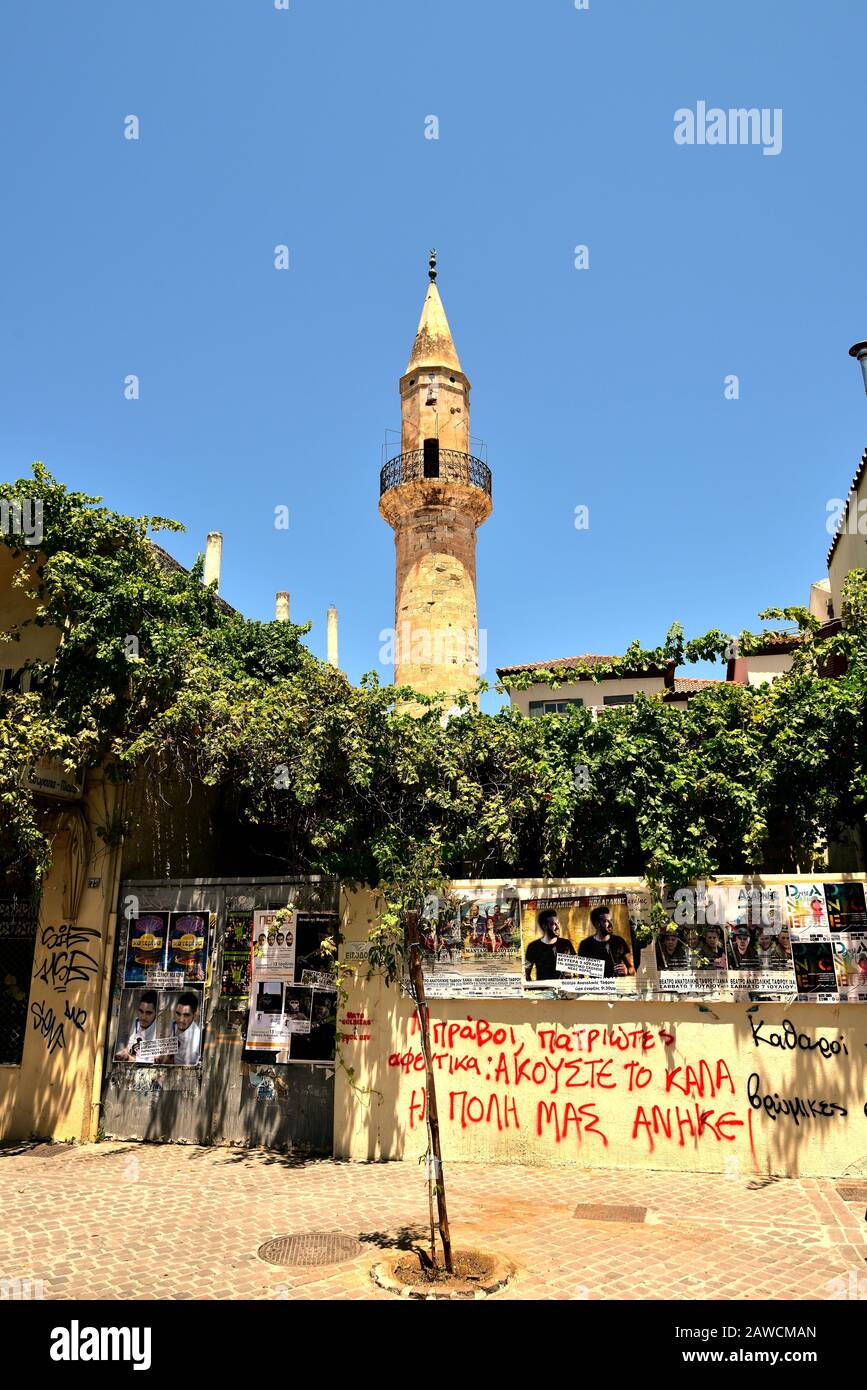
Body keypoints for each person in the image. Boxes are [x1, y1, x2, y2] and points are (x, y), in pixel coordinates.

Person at [578, 905, 633, 977]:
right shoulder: (585, 944)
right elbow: (580, 974)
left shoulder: (619, 941)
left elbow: (632, 968)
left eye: (611, 920)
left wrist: (627, 971)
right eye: (606, 921)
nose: (611, 924)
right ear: (597, 924)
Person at [525, 909, 577, 982]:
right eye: (553, 924)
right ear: (544, 926)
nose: (558, 927)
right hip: (543, 990)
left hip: (563, 989)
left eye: (558, 923)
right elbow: (526, 974)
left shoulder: (566, 944)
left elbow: (573, 970)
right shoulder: (533, 947)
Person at [115, 989, 158, 1062]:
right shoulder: (137, 1021)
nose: (143, 1017)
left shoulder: (158, 1034)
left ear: (156, 1013)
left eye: (148, 1013)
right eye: (141, 1011)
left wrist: (128, 1058)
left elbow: (149, 1062)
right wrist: (124, 1052)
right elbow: (131, 1045)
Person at [162, 991, 201, 1065]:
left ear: (194, 1015)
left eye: (186, 1015)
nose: (180, 1020)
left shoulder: (195, 1040)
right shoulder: (174, 1024)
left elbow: (185, 1068)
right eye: (178, 1014)